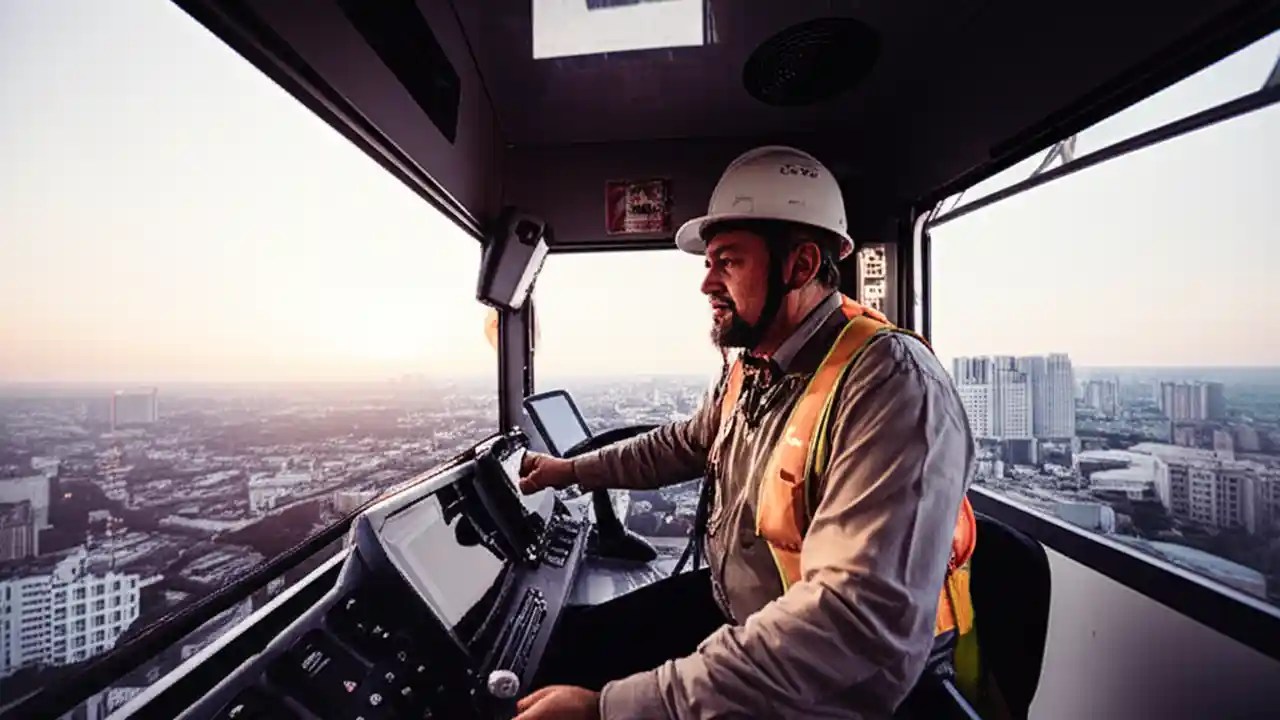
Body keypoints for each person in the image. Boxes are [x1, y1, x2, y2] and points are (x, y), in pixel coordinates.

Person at [514, 146, 976, 720]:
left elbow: (851, 622)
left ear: (800, 266)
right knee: (571, 646)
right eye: (709, 264)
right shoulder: (755, 367)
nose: (707, 284)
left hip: (844, 676)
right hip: (742, 611)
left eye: (727, 262)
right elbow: (685, 444)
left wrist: (610, 710)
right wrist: (571, 471)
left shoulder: (890, 385)